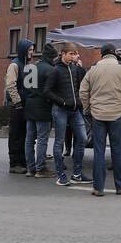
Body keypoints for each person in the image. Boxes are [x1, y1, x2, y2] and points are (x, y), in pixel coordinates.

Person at [80, 43, 121, 196]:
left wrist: (88, 108)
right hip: (116, 114)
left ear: (102, 54)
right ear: (115, 53)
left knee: (99, 151)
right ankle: (120, 185)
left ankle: (98, 187)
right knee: (118, 150)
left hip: (98, 114)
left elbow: (83, 91)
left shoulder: (93, 70)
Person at [46, 43, 90, 186]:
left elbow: (82, 83)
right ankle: (60, 175)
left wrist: (79, 102)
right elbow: (47, 91)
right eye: (71, 53)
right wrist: (63, 102)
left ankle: (77, 174)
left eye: (75, 53)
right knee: (59, 142)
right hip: (61, 110)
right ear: (63, 54)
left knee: (83, 138)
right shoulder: (55, 70)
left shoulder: (75, 69)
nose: (73, 56)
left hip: (75, 110)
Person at [23, 43, 57, 178]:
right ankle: (40, 168)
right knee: (42, 138)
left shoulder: (31, 67)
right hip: (43, 107)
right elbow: (50, 91)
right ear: (51, 57)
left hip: (29, 105)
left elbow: (25, 88)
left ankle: (30, 168)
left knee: (29, 139)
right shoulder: (50, 70)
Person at [4, 40, 33, 173]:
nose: (32, 52)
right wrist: (17, 102)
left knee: (23, 134)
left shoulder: (27, 65)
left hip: (25, 105)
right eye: (30, 50)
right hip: (17, 106)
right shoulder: (15, 65)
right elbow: (11, 85)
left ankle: (22, 161)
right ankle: (14, 163)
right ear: (23, 50)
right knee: (16, 134)